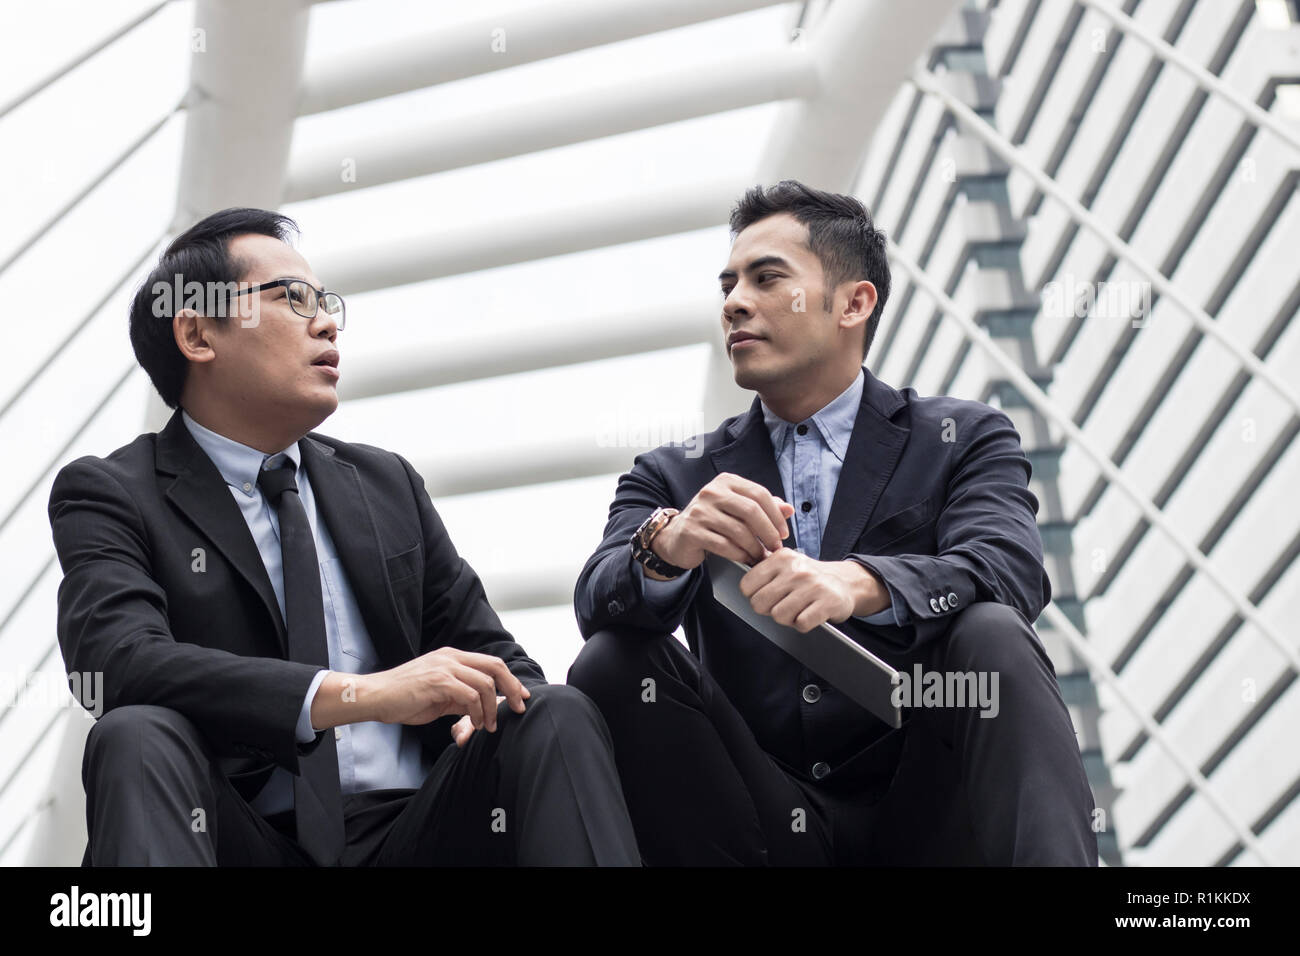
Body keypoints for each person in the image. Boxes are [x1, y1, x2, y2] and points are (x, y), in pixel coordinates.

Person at [48, 208, 639, 867]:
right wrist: (364, 694)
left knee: (553, 712)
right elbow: (116, 662)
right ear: (197, 334)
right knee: (134, 733)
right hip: (235, 837)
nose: (326, 322)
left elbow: (498, 660)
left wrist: (491, 708)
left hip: (420, 836)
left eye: (327, 302)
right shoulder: (112, 491)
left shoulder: (384, 484)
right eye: (293, 299)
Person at [567, 180, 1099, 866]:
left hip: (933, 801)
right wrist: (666, 545)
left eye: (766, 278)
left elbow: (1010, 569)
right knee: (613, 658)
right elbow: (596, 599)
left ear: (854, 302)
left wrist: (862, 583)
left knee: (993, 628)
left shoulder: (961, 436)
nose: (734, 302)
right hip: (759, 814)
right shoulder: (675, 476)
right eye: (728, 283)